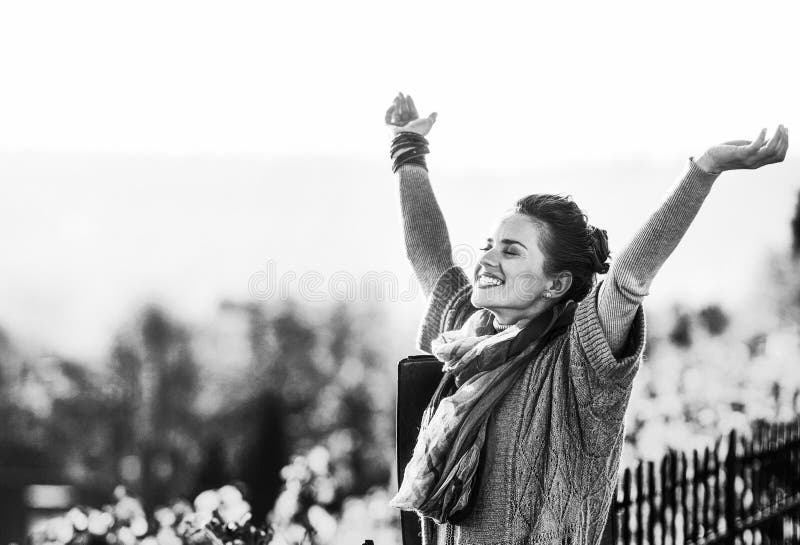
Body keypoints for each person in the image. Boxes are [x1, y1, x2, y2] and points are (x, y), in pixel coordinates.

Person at [385, 92, 789, 545]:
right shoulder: (471, 337)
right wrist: (408, 148)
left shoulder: (578, 363)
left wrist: (704, 170)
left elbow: (628, 279)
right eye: (489, 244)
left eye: (511, 250)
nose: (487, 260)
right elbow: (432, 259)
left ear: (555, 284)